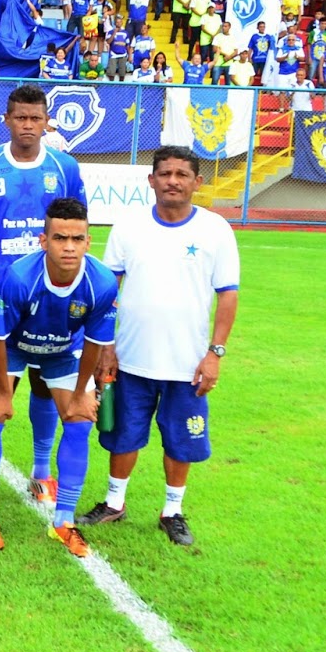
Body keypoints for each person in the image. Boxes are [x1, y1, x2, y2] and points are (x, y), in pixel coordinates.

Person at [74, 146, 238, 549]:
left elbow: (228, 296)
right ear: (151, 180)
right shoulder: (129, 226)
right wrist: (106, 346)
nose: (173, 181)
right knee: (121, 435)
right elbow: (107, 293)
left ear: (197, 182)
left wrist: (214, 353)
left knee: (181, 439)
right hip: (129, 358)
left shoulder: (216, 230)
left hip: (187, 364)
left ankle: (172, 511)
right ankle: (114, 502)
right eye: (165, 173)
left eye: (183, 174)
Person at [0, 84, 88, 508]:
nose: (28, 126)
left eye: (36, 118)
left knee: (44, 381)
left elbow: (75, 227)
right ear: (7, 120)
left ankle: (40, 471)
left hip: (50, 296)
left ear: (46, 121)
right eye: (21, 118)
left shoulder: (65, 167)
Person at [0, 197, 118, 557]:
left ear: (88, 241)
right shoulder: (21, 277)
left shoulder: (101, 283)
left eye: (76, 239)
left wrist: (82, 392)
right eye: (59, 238)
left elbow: (95, 343)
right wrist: (2, 394)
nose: (68, 247)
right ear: (43, 240)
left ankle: (64, 521)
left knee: (80, 420)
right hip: (11, 347)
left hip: (61, 349)